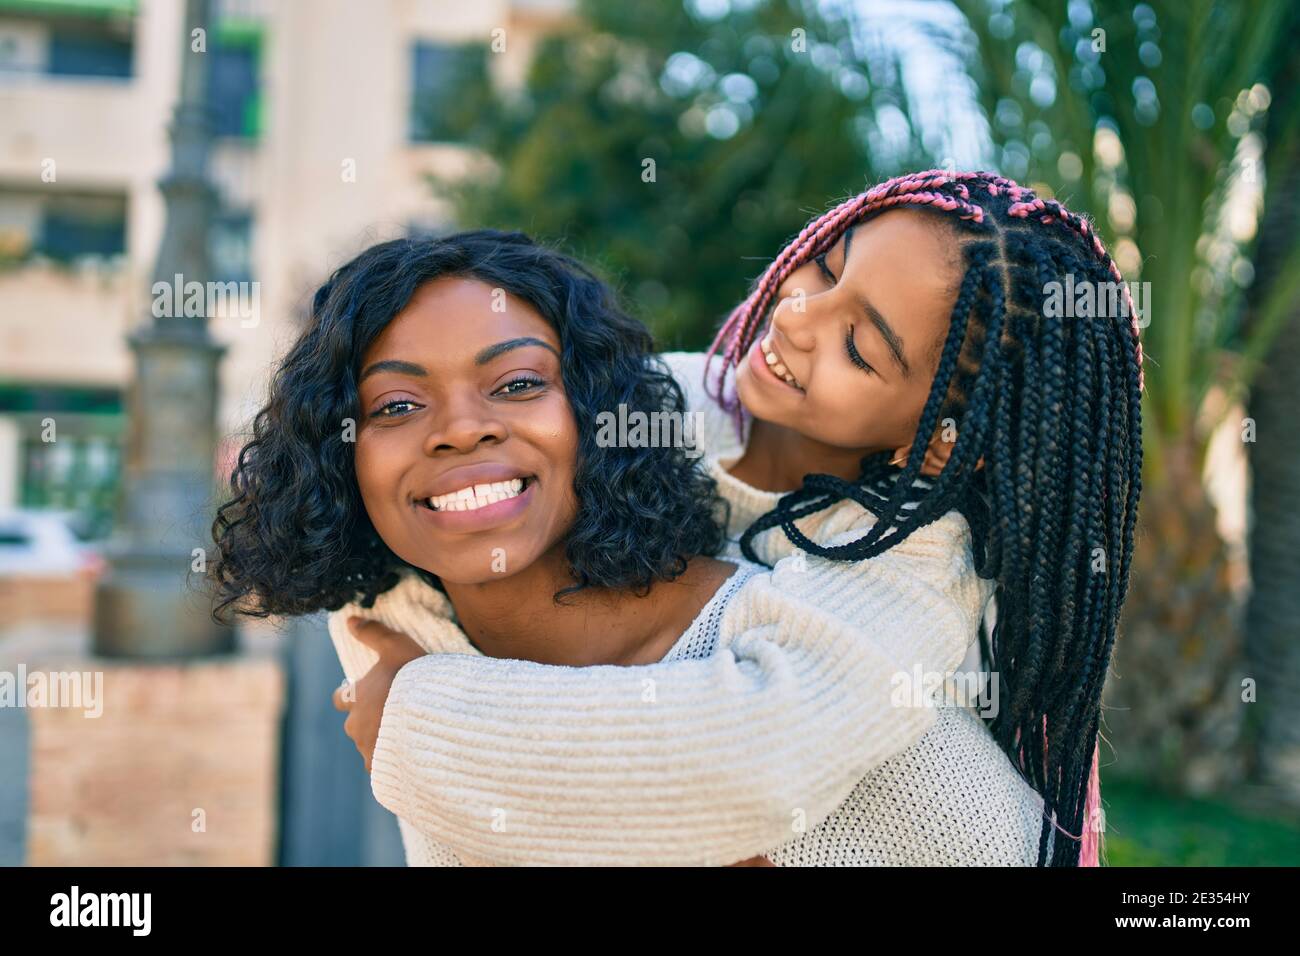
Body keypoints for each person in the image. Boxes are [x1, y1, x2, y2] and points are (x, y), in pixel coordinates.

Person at [330, 169, 1143, 867]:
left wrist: (421, 718)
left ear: (938, 444)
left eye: (859, 346)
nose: (797, 316)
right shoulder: (658, 405)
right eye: (825, 267)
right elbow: (413, 535)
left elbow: (757, 752)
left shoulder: (919, 567)